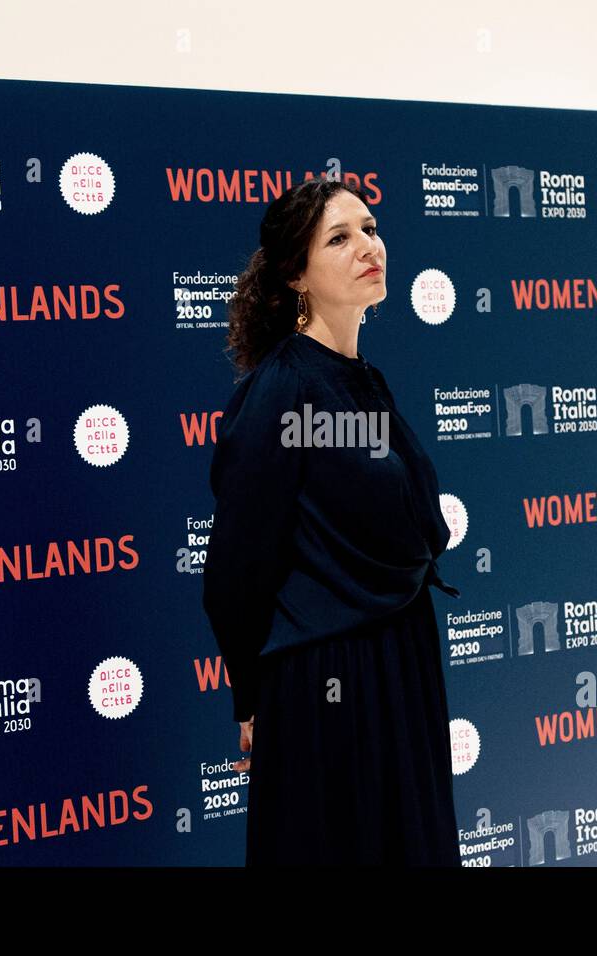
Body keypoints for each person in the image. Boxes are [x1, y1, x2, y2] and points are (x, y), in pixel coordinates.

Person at [202, 178, 463, 866]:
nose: (367, 247)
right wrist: (250, 696)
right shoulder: (284, 388)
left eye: (370, 229)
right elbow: (235, 565)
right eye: (339, 238)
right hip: (329, 685)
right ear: (296, 274)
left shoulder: (363, 378)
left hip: (399, 661)